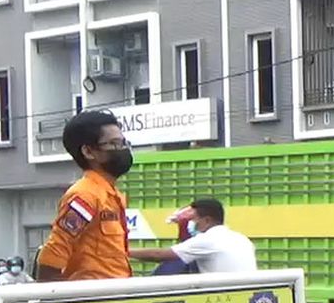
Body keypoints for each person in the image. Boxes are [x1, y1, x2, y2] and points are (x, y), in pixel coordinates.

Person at [37, 110, 134, 282]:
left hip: (116, 295)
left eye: (123, 142)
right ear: (89, 152)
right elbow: (53, 256)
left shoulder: (113, 196)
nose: (123, 149)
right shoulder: (84, 196)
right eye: (114, 144)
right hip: (92, 301)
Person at [131, 198, 257, 274]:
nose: (192, 224)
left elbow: (158, 255)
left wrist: (123, 251)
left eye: (194, 219)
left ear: (207, 220)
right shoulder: (242, 239)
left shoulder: (207, 240)